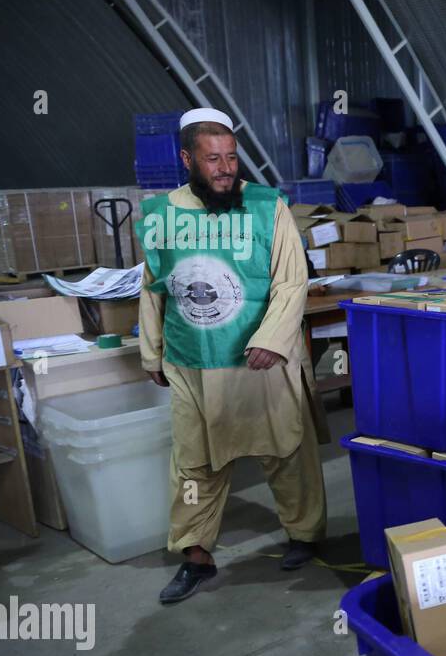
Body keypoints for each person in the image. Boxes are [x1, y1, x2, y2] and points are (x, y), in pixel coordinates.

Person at [138, 108, 328, 604]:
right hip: (191, 362)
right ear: (187, 159)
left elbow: (292, 279)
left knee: (285, 449)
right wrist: (151, 353)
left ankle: (304, 535)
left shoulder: (267, 206)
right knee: (193, 463)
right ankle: (195, 555)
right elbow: (152, 288)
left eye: (231, 157)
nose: (225, 168)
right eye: (212, 159)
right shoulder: (162, 213)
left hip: (260, 358)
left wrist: (271, 337)